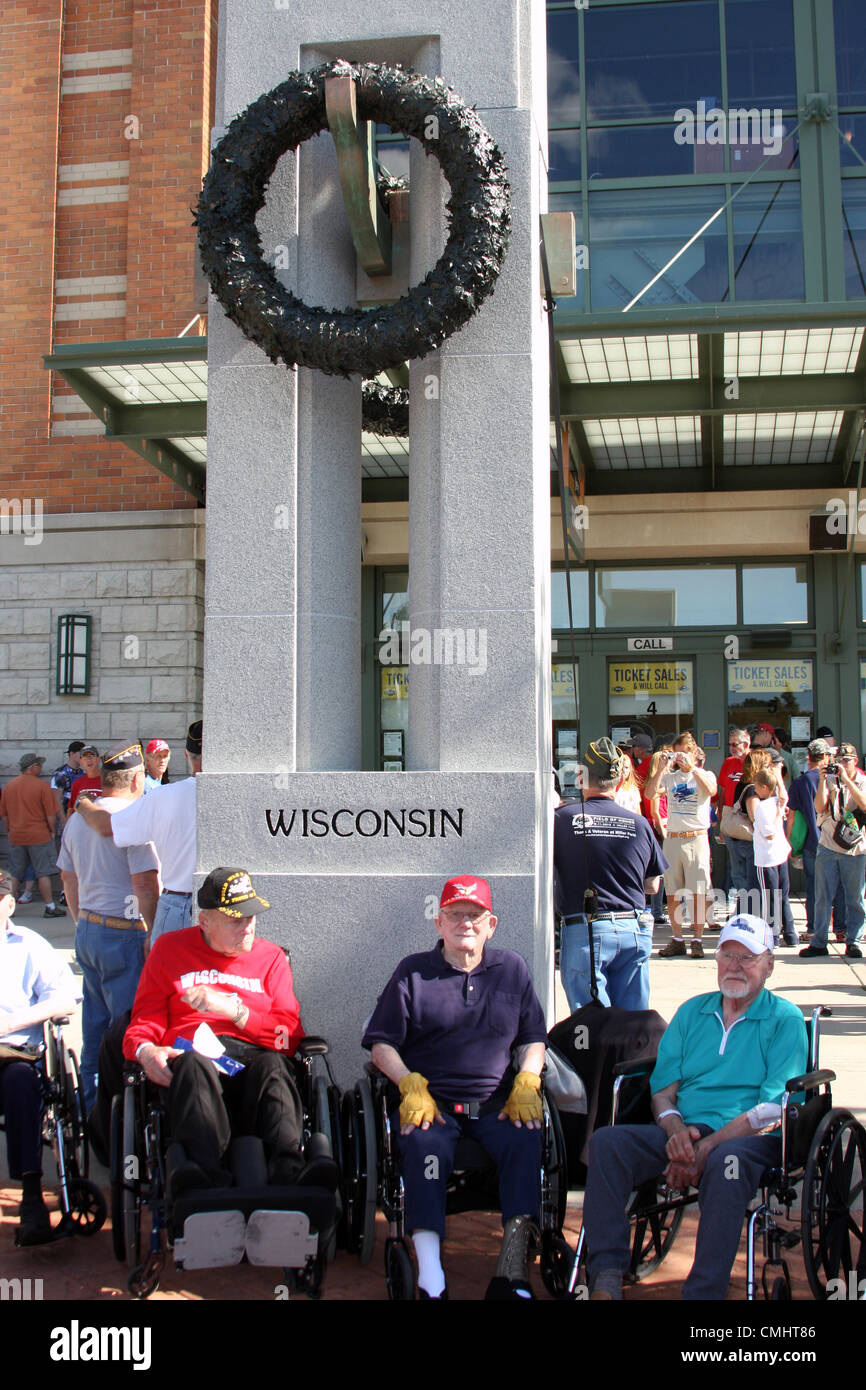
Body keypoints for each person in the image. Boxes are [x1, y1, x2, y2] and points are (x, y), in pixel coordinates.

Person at [583, 913, 808, 1301]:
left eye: (747, 958)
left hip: (749, 1138)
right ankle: (605, 1274)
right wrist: (677, 1137)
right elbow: (662, 1093)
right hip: (686, 1130)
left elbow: (773, 1110)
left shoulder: (784, 1019)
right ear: (716, 959)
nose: (734, 967)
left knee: (727, 1164)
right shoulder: (691, 1013)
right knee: (607, 1143)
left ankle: (703, 1292)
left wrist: (708, 1145)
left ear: (769, 964)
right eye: (727, 956)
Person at [363, 875, 548, 1300]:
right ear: (439, 923)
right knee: (425, 1148)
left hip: (498, 1103)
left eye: (475, 915)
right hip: (433, 1104)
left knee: (527, 1138)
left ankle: (512, 1274)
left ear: (491, 924)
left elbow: (533, 1037)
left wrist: (528, 1078)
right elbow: (381, 1044)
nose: (465, 923)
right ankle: (431, 1276)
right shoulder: (412, 972)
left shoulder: (512, 969)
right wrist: (409, 1084)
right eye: (455, 915)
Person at [122, 867, 331, 1197]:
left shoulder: (271, 958)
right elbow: (143, 1021)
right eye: (236, 919)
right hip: (192, 1060)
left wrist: (234, 1011)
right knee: (193, 1064)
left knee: (275, 1067)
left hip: (253, 1059)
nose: (247, 927)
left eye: (251, 917)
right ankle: (206, 1184)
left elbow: (288, 1037)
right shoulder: (168, 949)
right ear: (205, 921)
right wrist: (146, 1051)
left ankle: (289, 1174)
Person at [57, 742, 160, 1110]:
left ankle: (91, 1110)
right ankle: (125, 1115)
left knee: (95, 1028)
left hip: (89, 927)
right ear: (136, 780)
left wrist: (81, 919)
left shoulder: (77, 820)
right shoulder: (133, 821)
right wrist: (154, 930)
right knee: (130, 1030)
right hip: (125, 931)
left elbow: (68, 879)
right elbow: (146, 884)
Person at [0, 870, 81, 1245]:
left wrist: (15, 1021)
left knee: (20, 1083)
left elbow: (65, 998)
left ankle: (32, 1197)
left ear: (10, 903)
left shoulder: (28, 945)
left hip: (13, 1052)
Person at [555, 738, 666, 1011]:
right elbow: (652, 885)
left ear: (581, 776)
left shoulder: (562, 819)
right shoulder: (640, 824)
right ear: (618, 781)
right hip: (633, 928)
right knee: (632, 1027)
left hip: (586, 929)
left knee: (590, 1029)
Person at [76, 719, 201, 943]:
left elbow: (107, 826)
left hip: (180, 905)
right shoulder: (245, 797)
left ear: (185, 754)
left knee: (170, 977)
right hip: (232, 906)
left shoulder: (163, 797)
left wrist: (82, 803)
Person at [645, 732, 717, 958]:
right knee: (673, 892)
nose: (681, 758)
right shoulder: (670, 778)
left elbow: (712, 791)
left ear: (694, 752)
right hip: (674, 838)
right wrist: (662, 768)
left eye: (685, 752)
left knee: (698, 891)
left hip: (696, 837)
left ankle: (697, 939)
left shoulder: (705, 774)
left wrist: (693, 768)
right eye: (678, 753)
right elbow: (649, 793)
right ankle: (677, 938)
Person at [801, 742, 866, 959]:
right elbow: (819, 807)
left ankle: (853, 940)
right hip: (828, 844)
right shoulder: (830, 779)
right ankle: (819, 941)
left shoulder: (862, 781)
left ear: (855, 761)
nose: (842, 765)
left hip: (855, 849)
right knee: (822, 896)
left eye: (847, 761)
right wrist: (822, 780)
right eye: (839, 761)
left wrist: (847, 781)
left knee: (854, 898)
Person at [0, 754, 65, 918]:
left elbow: (4, 815)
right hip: (38, 835)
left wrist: (10, 831)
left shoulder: (10, 786)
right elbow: (50, 814)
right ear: (32, 767)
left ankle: (8, 908)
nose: (41, 769)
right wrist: (51, 830)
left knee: (14, 873)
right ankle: (50, 907)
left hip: (16, 835)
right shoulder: (41, 786)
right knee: (43, 873)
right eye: (39, 765)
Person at [786, 737, 831, 937]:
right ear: (826, 757)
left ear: (808, 757)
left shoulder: (800, 782)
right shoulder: (832, 778)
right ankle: (841, 928)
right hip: (834, 841)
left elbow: (792, 816)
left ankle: (813, 928)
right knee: (837, 887)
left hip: (812, 842)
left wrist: (789, 843)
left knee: (814, 888)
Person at [750, 767, 792, 943]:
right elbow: (784, 795)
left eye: (757, 787)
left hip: (766, 858)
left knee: (770, 898)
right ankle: (790, 933)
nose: (755, 790)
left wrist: (777, 816)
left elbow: (769, 833)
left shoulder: (763, 807)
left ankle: (773, 935)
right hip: (780, 855)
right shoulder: (778, 801)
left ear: (765, 788)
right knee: (782, 895)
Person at [716, 728, 751, 899]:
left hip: (748, 816)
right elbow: (722, 791)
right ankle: (742, 907)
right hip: (730, 815)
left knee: (750, 868)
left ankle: (754, 907)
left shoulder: (754, 762)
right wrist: (722, 818)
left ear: (746, 743)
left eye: (735, 744)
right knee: (736, 868)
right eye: (730, 744)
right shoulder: (728, 762)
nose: (731, 747)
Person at [50, 741, 85, 829]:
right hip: (67, 816)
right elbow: (56, 799)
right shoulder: (60, 773)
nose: (83, 757)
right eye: (81, 754)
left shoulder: (83, 773)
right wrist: (63, 819)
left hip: (82, 816)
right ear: (72, 754)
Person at [67, 745, 102, 811]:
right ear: (80, 761)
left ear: (98, 759)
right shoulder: (78, 783)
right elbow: (71, 808)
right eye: (85, 757)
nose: (88, 759)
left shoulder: (107, 780)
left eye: (91, 756)